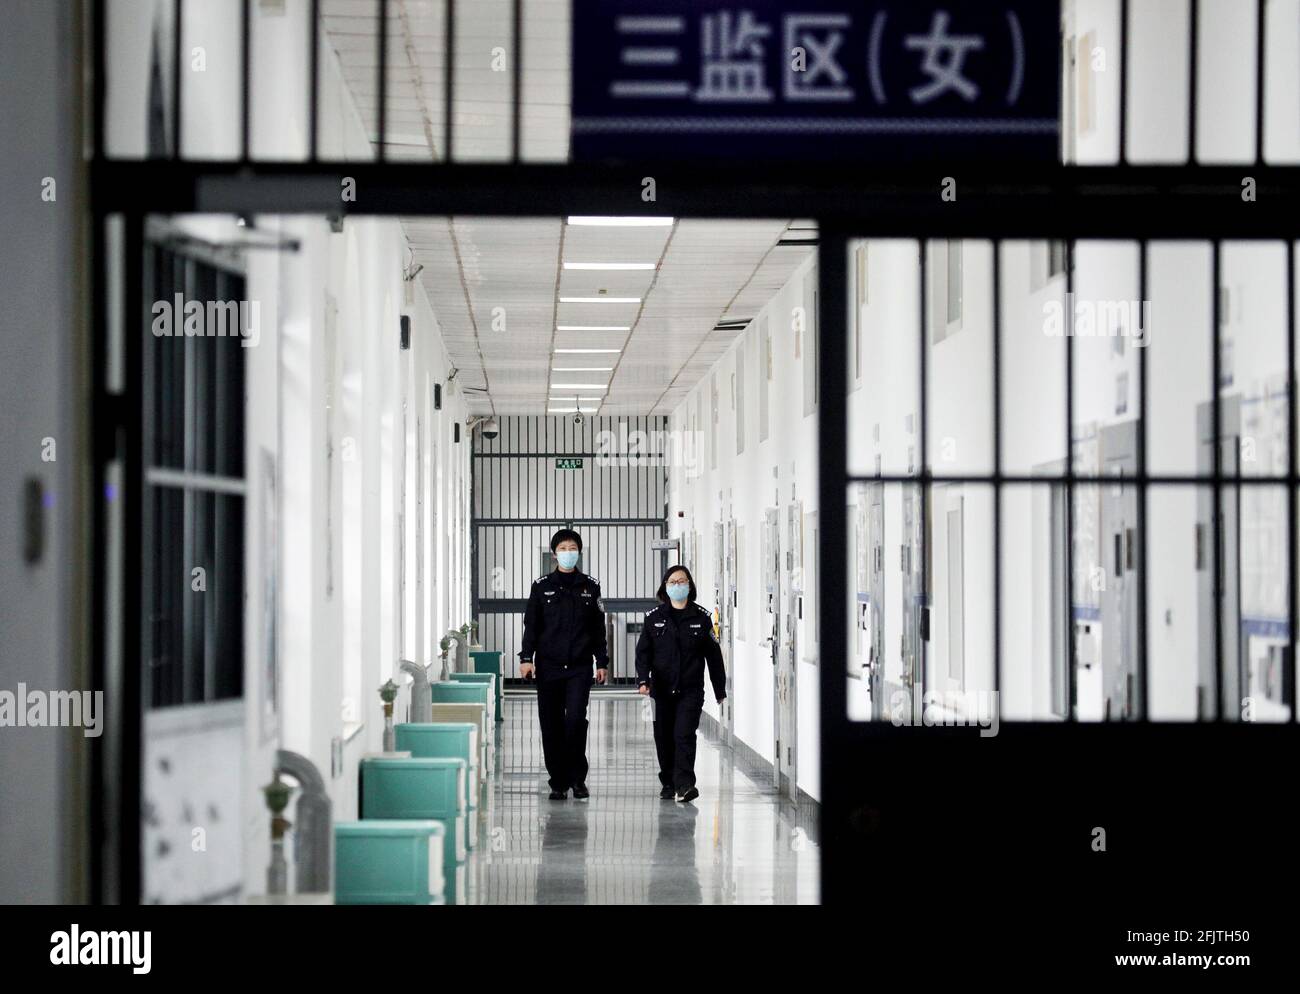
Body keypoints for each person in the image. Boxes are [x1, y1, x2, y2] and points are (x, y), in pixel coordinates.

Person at [519, 528, 609, 800]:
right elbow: (532, 626)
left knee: (575, 721)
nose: (568, 553)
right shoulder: (541, 586)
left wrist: (601, 662)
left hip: (579, 667)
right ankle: (558, 780)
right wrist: (526, 658)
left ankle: (577, 778)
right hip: (549, 667)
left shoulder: (590, 586)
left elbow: (597, 629)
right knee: (551, 723)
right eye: (563, 548)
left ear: (579, 552)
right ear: (554, 552)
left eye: (573, 548)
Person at [635, 565, 727, 803]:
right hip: (660, 690)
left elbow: (714, 657)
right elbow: (643, 653)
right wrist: (643, 679)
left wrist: (720, 690)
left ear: (690, 585)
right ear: (665, 587)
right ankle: (668, 781)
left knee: (684, 735)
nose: (678, 586)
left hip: (691, 690)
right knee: (663, 737)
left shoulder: (702, 618)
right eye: (673, 582)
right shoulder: (653, 618)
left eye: (682, 581)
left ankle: (685, 785)